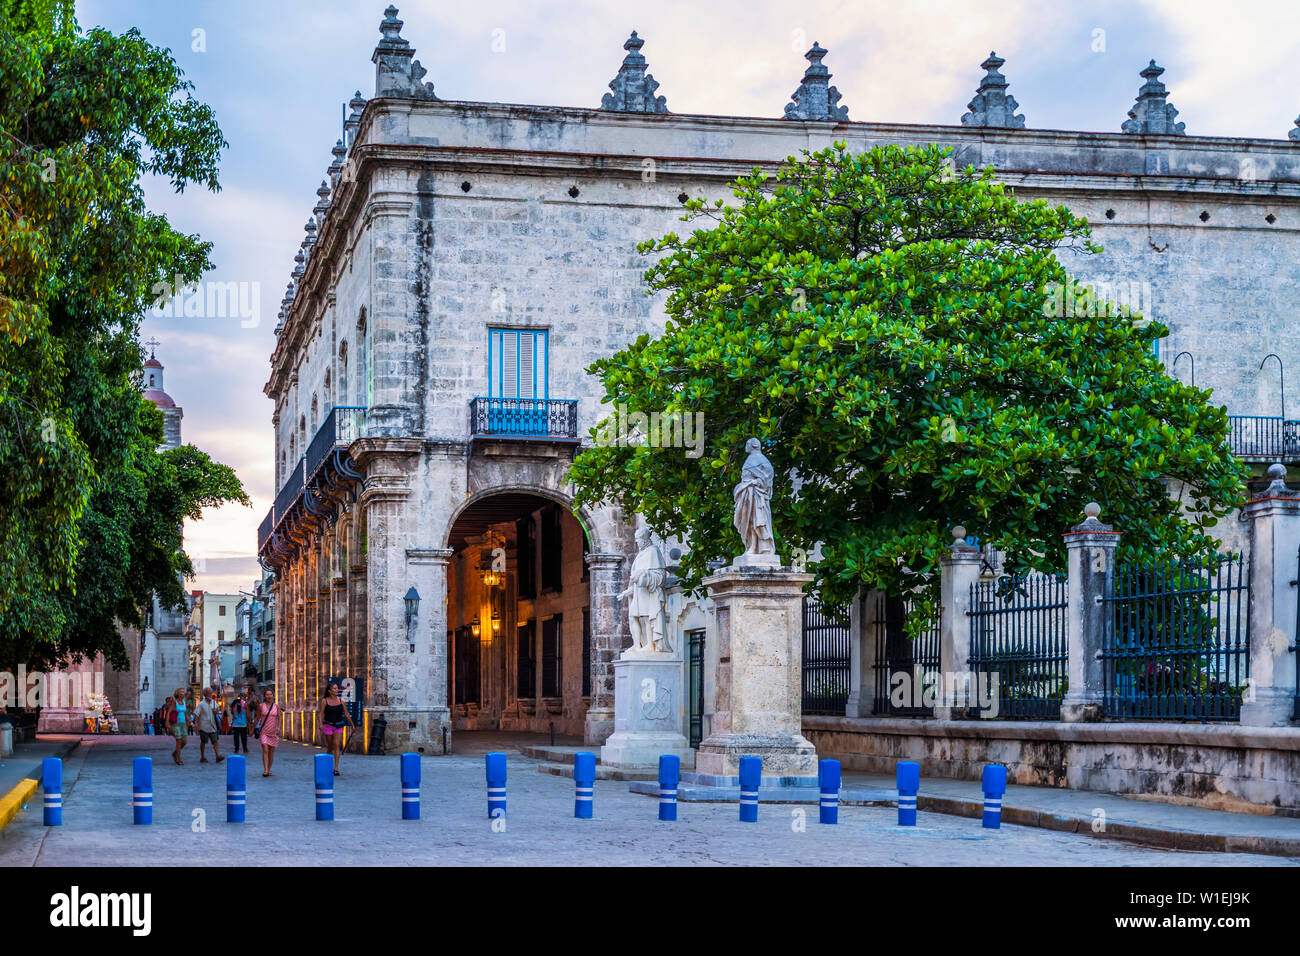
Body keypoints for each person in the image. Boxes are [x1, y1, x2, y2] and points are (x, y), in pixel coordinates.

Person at [316, 682, 357, 775]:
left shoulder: (341, 700)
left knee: (336, 745)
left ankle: (336, 768)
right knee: (330, 746)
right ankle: (328, 765)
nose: (337, 690)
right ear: (330, 691)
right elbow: (321, 713)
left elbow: (346, 713)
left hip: (339, 725)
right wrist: (320, 724)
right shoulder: (324, 701)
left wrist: (352, 724)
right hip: (328, 725)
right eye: (334, 688)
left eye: (337, 688)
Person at [254, 688, 280, 777]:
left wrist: (278, 728)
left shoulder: (276, 706)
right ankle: (265, 770)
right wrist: (251, 728)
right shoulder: (261, 706)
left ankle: (269, 770)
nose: (269, 696)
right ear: (264, 696)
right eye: (267, 695)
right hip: (264, 731)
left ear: (273, 696)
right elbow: (257, 718)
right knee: (265, 750)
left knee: (271, 752)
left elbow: (279, 718)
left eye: (270, 694)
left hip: (273, 732)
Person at [193, 688, 224, 763]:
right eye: (209, 693)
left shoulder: (214, 702)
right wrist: (196, 724)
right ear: (205, 694)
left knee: (215, 741)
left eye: (211, 693)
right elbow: (196, 714)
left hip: (213, 726)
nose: (210, 694)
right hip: (204, 726)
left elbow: (217, 711)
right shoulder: (201, 704)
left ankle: (217, 756)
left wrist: (216, 711)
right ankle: (202, 757)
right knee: (203, 742)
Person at [167, 689, 189, 765]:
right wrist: (167, 723)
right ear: (178, 693)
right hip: (176, 724)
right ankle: (179, 759)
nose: (184, 693)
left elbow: (185, 714)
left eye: (184, 692)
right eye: (182, 692)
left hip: (183, 724)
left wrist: (191, 722)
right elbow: (169, 712)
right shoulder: (174, 702)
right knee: (179, 741)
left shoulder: (184, 702)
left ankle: (175, 753)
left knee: (184, 742)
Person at [229, 688, 250, 755]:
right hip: (243, 724)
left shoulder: (234, 703)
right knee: (244, 737)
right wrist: (248, 721)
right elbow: (247, 714)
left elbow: (232, 712)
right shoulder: (245, 703)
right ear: (243, 697)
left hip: (236, 724)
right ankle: (245, 749)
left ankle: (236, 749)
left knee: (236, 737)